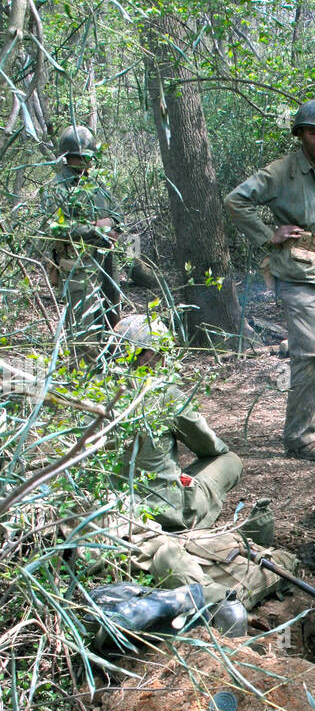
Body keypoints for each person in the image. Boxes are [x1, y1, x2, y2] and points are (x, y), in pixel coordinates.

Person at [224, 100, 315, 461]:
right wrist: (270, 233)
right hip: (295, 273)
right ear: (300, 134)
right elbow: (236, 201)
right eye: (311, 132)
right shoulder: (282, 171)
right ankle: (298, 437)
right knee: (310, 353)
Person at [112, 316, 242, 531]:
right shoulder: (163, 393)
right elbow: (210, 447)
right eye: (162, 352)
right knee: (230, 459)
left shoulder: (94, 394)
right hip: (163, 512)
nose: (165, 360)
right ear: (149, 354)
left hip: (114, 510)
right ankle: (189, 523)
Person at [44, 125, 124, 352]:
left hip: (106, 262)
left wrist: (114, 227)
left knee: (110, 317)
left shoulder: (97, 186)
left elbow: (118, 215)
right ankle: (86, 377)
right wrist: (95, 228)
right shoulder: (56, 189)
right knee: (83, 326)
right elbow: (57, 228)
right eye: (82, 158)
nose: (88, 163)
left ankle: (108, 366)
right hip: (77, 266)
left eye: (90, 158)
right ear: (69, 157)